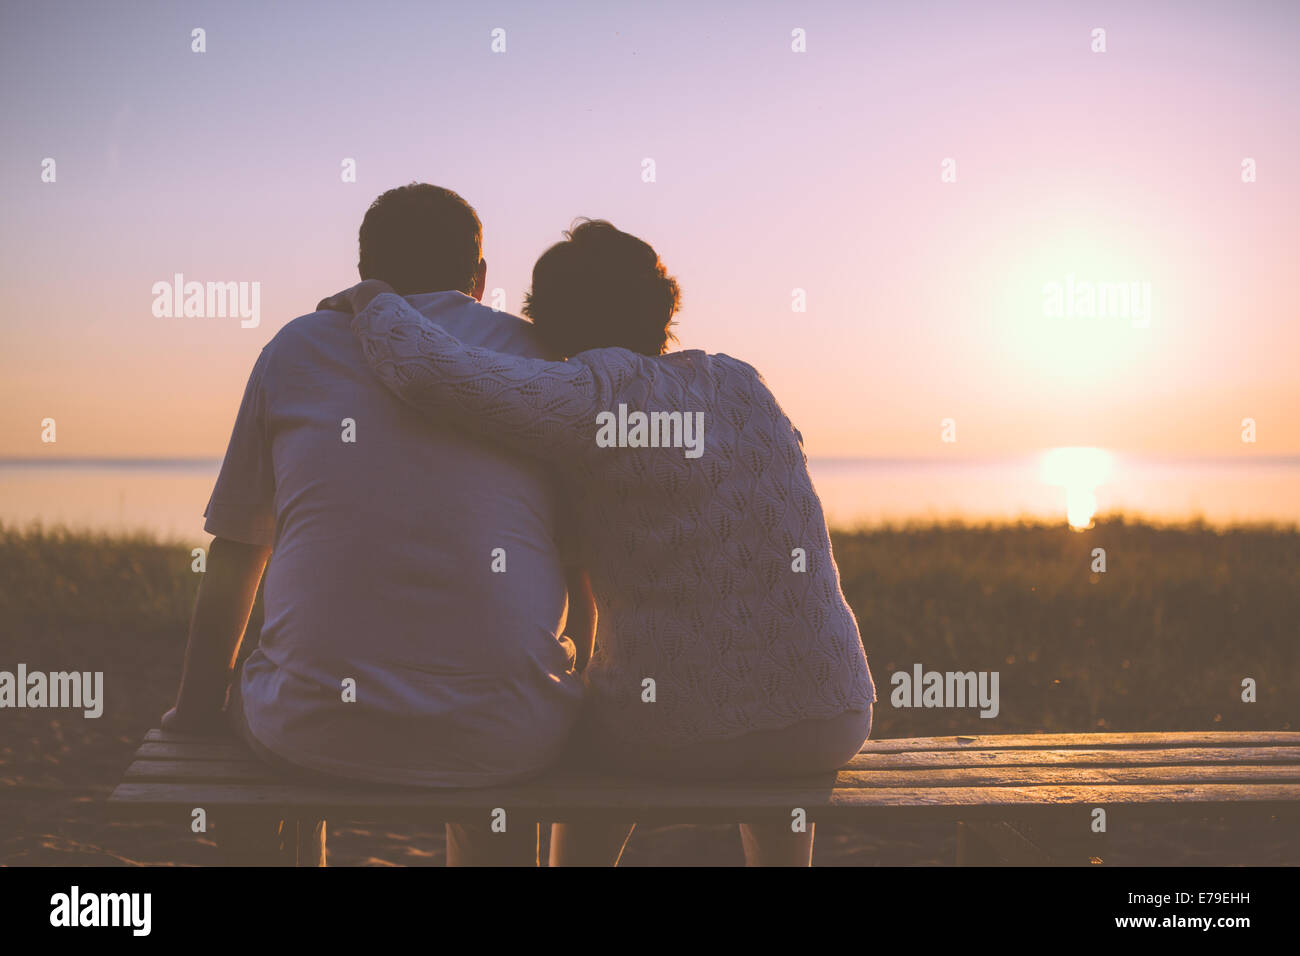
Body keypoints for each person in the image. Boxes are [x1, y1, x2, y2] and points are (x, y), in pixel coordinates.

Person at [327, 219, 877, 866]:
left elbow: (436, 376)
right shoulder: (743, 382)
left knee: (577, 749)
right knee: (770, 761)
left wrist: (374, 300)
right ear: (659, 307)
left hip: (675, 732)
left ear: (547, 321)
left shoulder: (597, 394)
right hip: (830, 715)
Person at [162, 184, 589, 866]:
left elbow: (238, 550)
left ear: (365, 275)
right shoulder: (534, 355)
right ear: (479, 279)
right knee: (493, 734)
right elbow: (577, 563)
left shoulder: (296, 348)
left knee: (266, 690)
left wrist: (192, 710)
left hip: (311, 733)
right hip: (509, 738)